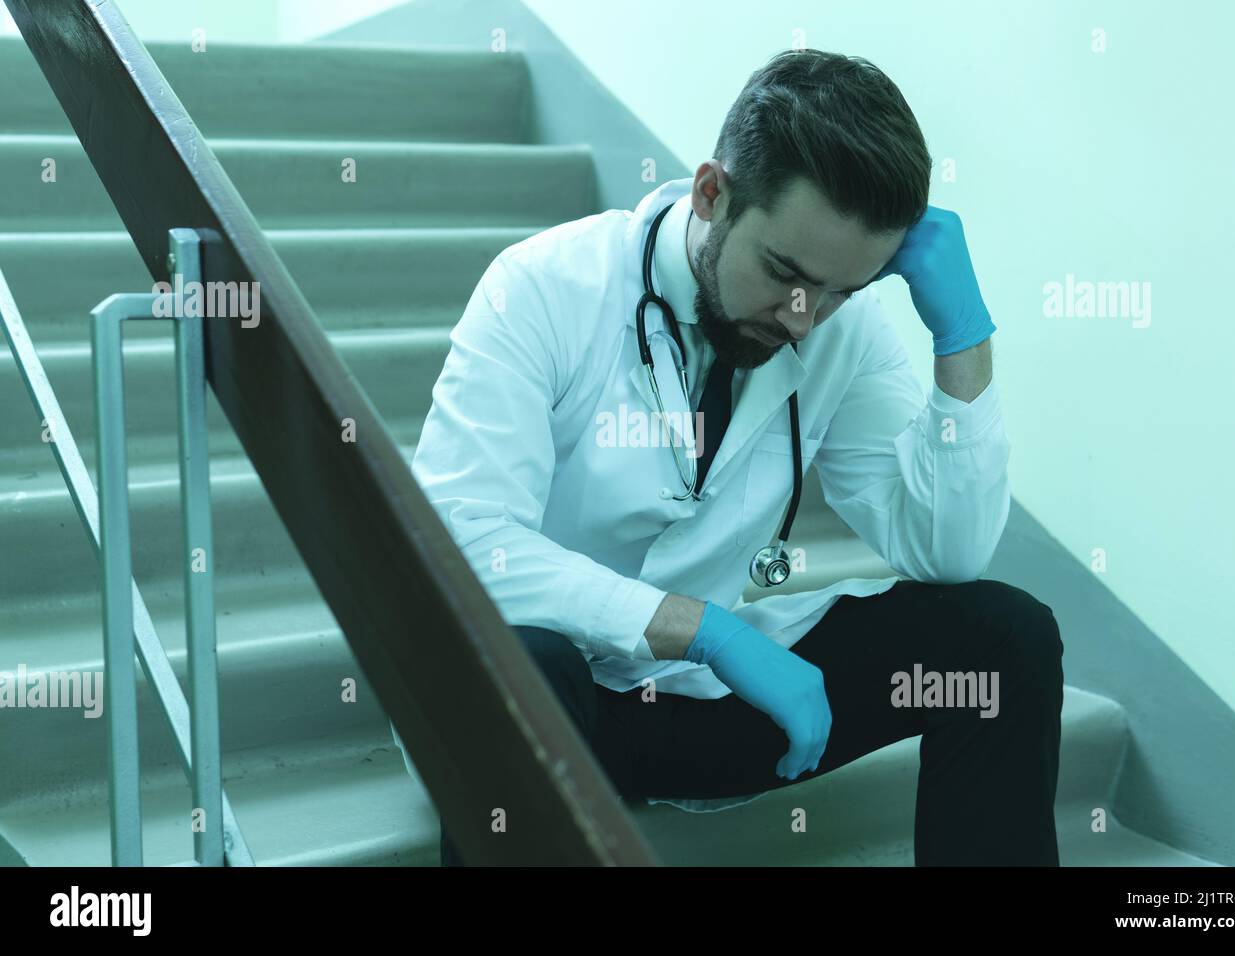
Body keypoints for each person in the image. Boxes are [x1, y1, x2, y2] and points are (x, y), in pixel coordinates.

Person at [395, 48, 1063, 866]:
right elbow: (461, 544)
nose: (802, 318)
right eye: (785, 272)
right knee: (525, 668)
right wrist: (697, 629)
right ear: (713, 193)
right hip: (543, 709)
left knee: (1004, 640)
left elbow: (944, 548)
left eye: (839, 291)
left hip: (699, 702)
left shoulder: (834, 328)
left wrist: (965, 341)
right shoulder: (544, 287)